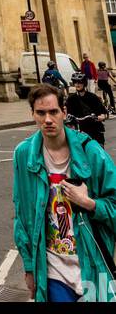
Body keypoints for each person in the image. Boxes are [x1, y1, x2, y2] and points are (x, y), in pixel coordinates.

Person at [13, 82, 116, 302]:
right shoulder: (24, 155)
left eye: (53, 112)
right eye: (41, 113)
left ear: (64, 112)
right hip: (52, 269)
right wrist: (30, 267)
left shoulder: (91, 152)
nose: (48, 120)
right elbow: (22, 216)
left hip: (92, 263)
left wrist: (89, 204)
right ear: (32, 114)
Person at [66, 71, 107, 147]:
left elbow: (103, 112)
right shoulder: (71, 99)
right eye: (75, 82)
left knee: (98, 151)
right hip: (80, 130)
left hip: (94, 129)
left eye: (79, 82)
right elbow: (68, 113)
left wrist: (101, 116)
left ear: (84, 83)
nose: (77, 84)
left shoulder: (93, 97)